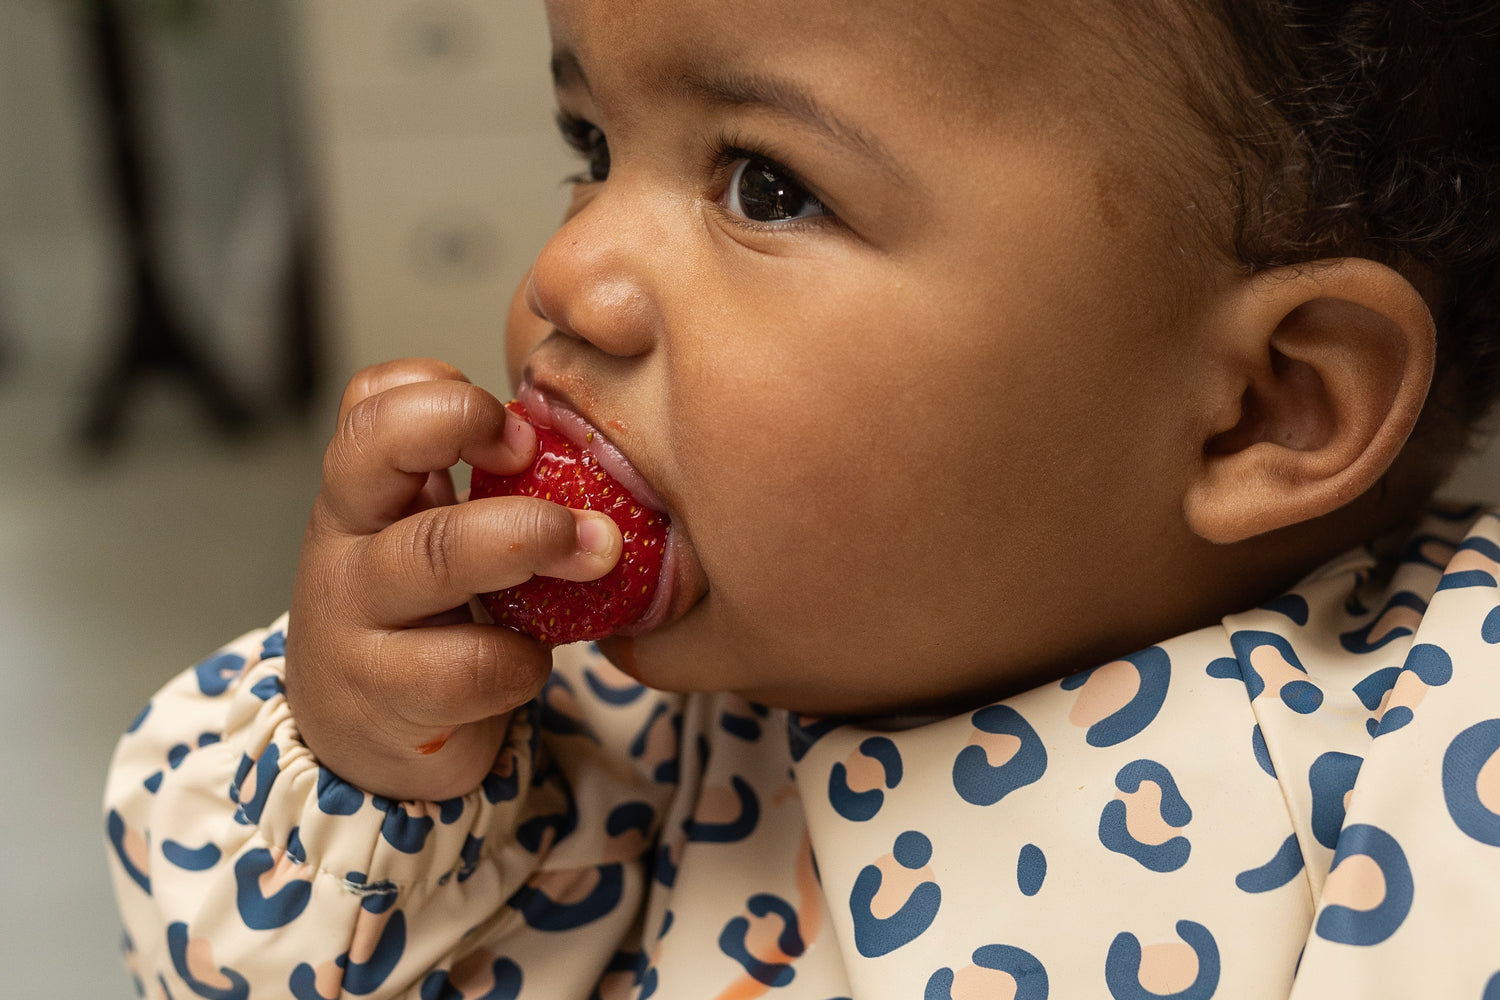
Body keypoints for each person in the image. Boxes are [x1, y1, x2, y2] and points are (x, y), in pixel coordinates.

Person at [105, 0, 1500, 997]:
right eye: (592, 144)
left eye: (765, 184)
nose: (571, 269)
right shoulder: (594, 748)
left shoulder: (1438, 755)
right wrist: (369, 755)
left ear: (1266, 406)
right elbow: (242, 965)